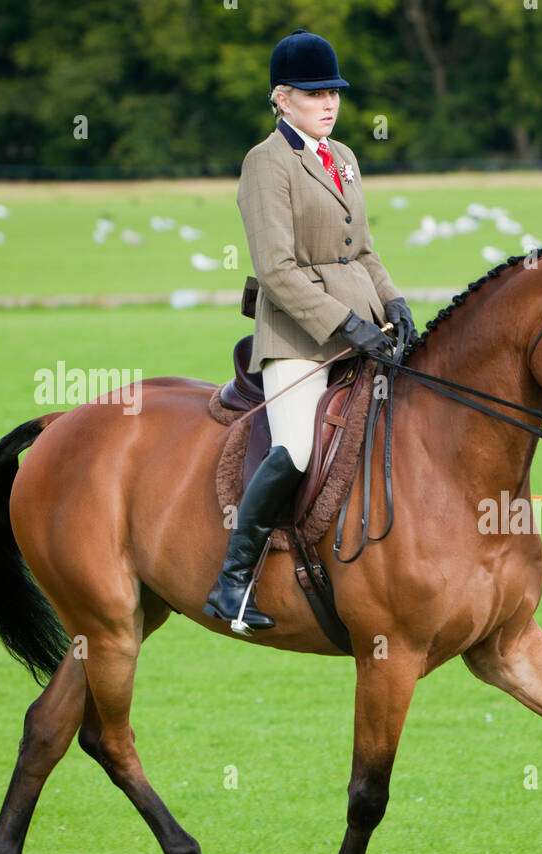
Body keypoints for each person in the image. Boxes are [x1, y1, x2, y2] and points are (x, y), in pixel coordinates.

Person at [204, 29, 417, 633]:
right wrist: (345, 323)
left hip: (363, 328)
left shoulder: (343, 156)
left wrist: (394, 302)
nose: (329, 103)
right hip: (298, 338)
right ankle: (232, 583)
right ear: (281, 98)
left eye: (334, 93)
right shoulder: (265, 162)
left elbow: (364, 251)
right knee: (297, 448)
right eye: (314, 92)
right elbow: (275, 269)